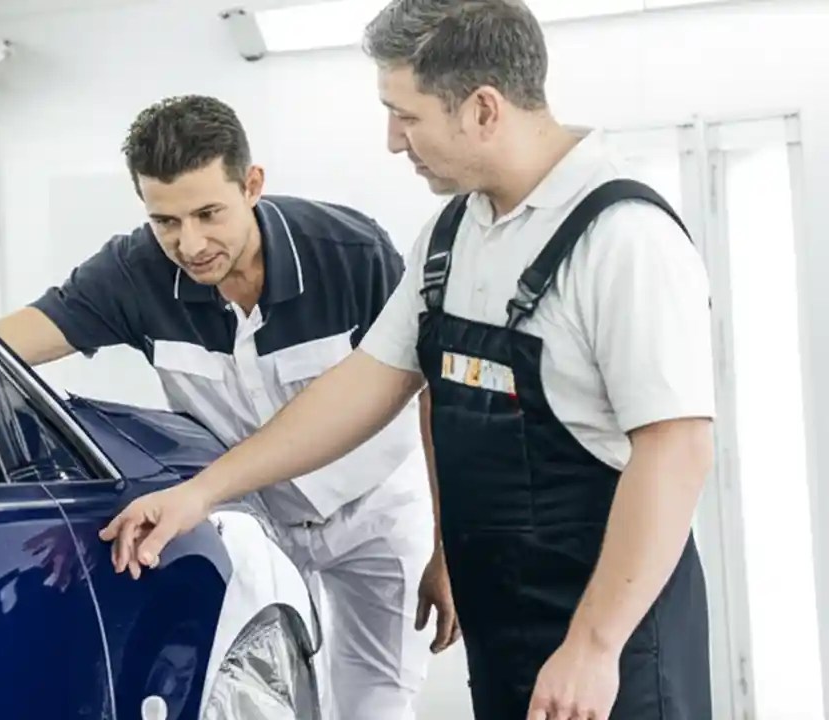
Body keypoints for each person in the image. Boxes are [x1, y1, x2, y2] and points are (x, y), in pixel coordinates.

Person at [98, 3, 716, 720]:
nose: (394, 141)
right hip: (503, 620)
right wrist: (202, 491)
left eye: (406, 115)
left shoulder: (623, 238)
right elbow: (364, 385)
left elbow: (677, 450)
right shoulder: (453, 235)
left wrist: (595, 645)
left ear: (483, 109)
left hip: (613, 631)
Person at [0, 94, 448, 719]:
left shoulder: (351, 253)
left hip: (373, 514)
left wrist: (451, 546)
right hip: (254, 523)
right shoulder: (132, 271)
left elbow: (435, 391)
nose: (190, 243)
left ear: (252, 184)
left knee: (376, 705)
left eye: (209, 213)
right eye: (166, 221)